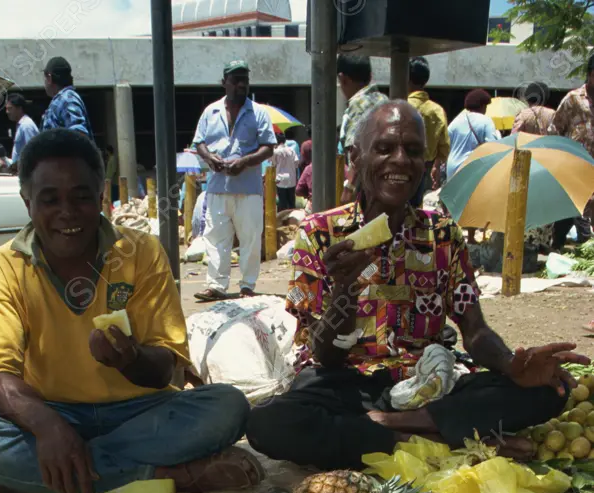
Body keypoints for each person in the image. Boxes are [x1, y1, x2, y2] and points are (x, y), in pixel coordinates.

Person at [246, 102, 588, 471]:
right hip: (345, 384)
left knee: (550, 391)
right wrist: (344, 292)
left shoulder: (442, 233)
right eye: (385, 148)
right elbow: (324, 354)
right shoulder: (318, 235)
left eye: (412, 151)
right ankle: (429, 440)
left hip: (429, 383)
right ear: (356, 157)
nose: (400, 161)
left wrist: (511, 364)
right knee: (269, 423)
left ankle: (395, 428)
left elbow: (474, 330)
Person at [0, 129, 260, 493]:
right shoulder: (6, 265)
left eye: (82, 198)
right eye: (50, 200)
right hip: (51, 409)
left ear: (102, 197)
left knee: (227, 407)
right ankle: (164, 475)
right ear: (27, 202)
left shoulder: (140, 251)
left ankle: (36, 478)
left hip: (139, 413)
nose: (68, 213)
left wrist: (131, 359)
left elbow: (165, 368)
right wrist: (49, 427)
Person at [192, 59, 276, 301]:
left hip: (248, 188)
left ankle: (247, 285)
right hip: (217, 187)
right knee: (216, 238)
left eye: (245, 80)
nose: (241, 85)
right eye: (236, 80)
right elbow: (199, 143)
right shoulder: (210, 111)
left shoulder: (258, 112)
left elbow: (269, 147)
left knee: (250, 237)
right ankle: (216, 286)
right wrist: (210, 158)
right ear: (224, 83)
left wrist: (244, 162)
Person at [550, 55, 594, 250]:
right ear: (590, 75)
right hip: (574, 164)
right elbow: (555, 128)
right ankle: (561, 245)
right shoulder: (574, 99)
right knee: (573, 205)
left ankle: (568, 245)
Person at [338, 54, 387, 201]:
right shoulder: (385, 100)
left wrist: (349, 189)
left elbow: (357, 151)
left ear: (342, 78)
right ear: (370, 76)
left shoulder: (358, 105)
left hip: (368, 189)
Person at [407, 56, 449, 192]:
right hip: (423, 169)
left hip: (398, 168)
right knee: (415, 210)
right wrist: (436, 165)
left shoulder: (399, 105)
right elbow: (444, 148)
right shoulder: (437, 110)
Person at [446, 90, 501, 179]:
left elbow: (446, 144)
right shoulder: (486, 121)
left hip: (452, 169)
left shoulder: (456, 121)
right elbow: (493, 146)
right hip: (472, 169)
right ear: (483, 106)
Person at [41, 56, 92, 136]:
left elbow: (78, 135)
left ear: (49, 78)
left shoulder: (67, 99)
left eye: (45, 78)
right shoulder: (62, 100)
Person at [6, 92, 39, 169]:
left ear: (19, 108)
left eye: (10, 108)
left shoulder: (26, 125)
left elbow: (32, 152)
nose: (7, 112)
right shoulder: (20, 125)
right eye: (6, 109)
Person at [272, 130, 299, 211]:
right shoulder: (292, 150)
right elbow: (296, 164)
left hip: (280, 180)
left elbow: (273, 164)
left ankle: (282, 222)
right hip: (291, 179)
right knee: (291, 203)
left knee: (282, 203)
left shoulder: (275, 152)